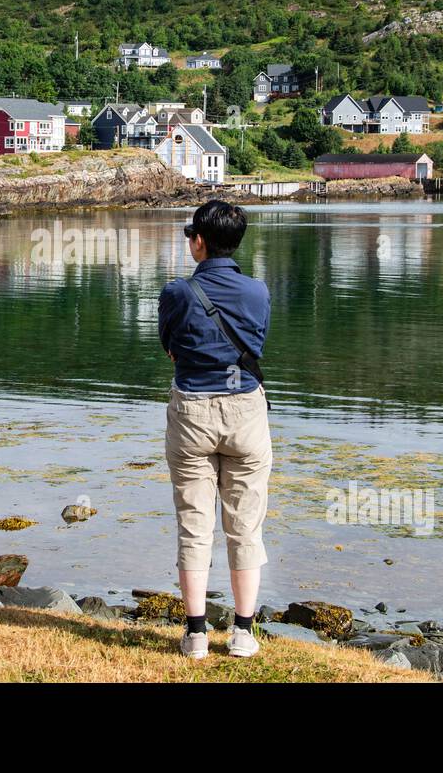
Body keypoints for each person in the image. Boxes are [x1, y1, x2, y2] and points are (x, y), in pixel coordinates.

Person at [158, 200, 272, 659]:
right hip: (246, 408)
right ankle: (243, 633)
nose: (190, 242)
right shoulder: (258, 291)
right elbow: (256, 343)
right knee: (245, 527)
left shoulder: (177, 292)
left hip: (192, 410)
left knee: (194, 523)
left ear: (199, 242)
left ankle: (197, 634)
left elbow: (170, 348)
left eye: (191, 236)